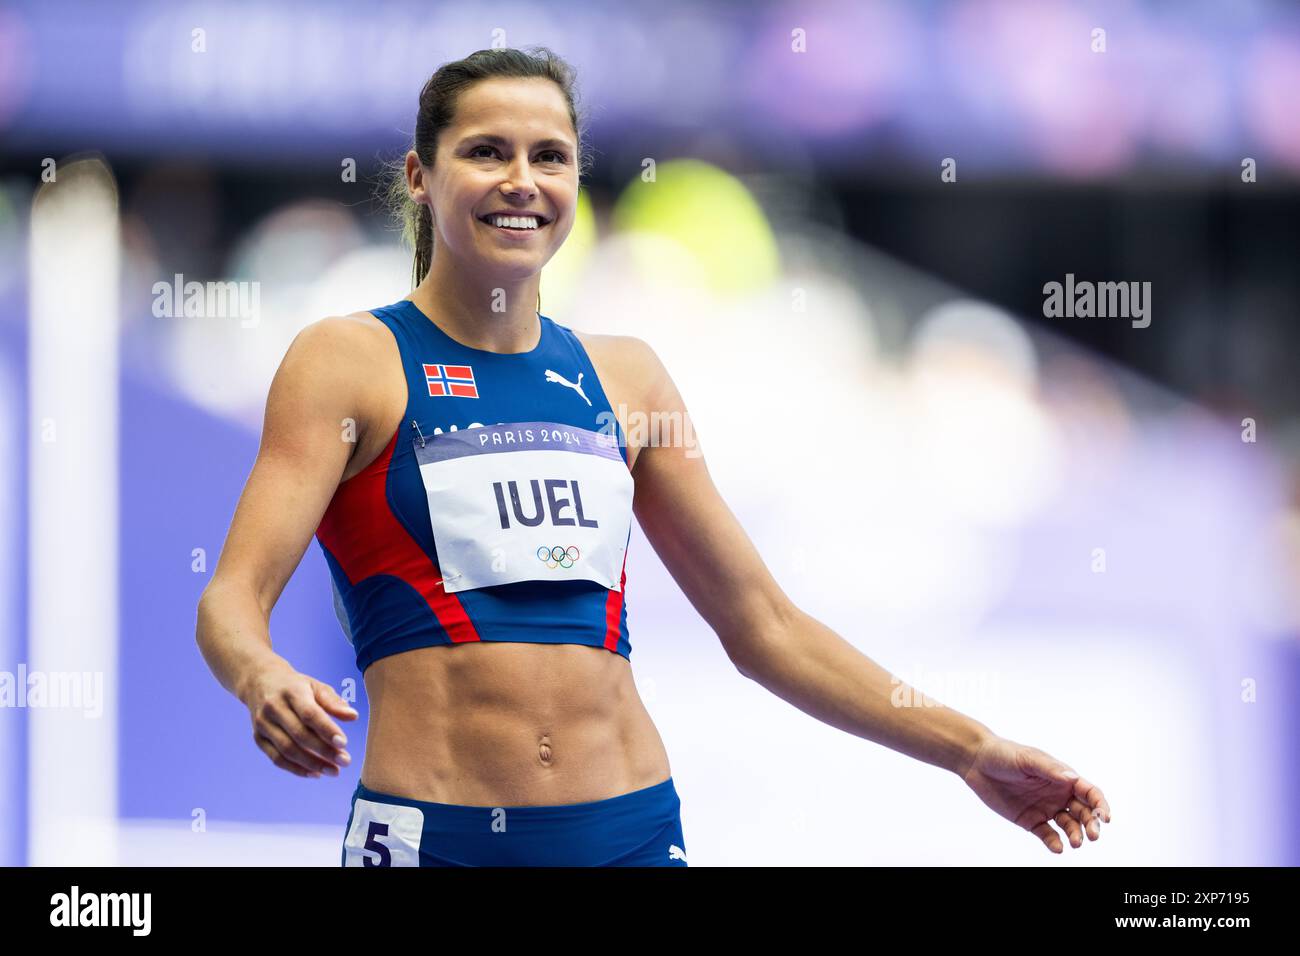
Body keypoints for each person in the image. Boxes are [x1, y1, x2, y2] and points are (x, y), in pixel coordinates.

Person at [195, 46, 1110, 867]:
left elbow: (766, 627)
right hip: (437, 839)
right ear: (420, 176)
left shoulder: (627, 379)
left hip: (631, 834)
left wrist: (968, 750)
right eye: (487, 151)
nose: (522, 179)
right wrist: (260, 674)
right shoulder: (348, 361)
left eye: (549, 156)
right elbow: (231, 598)